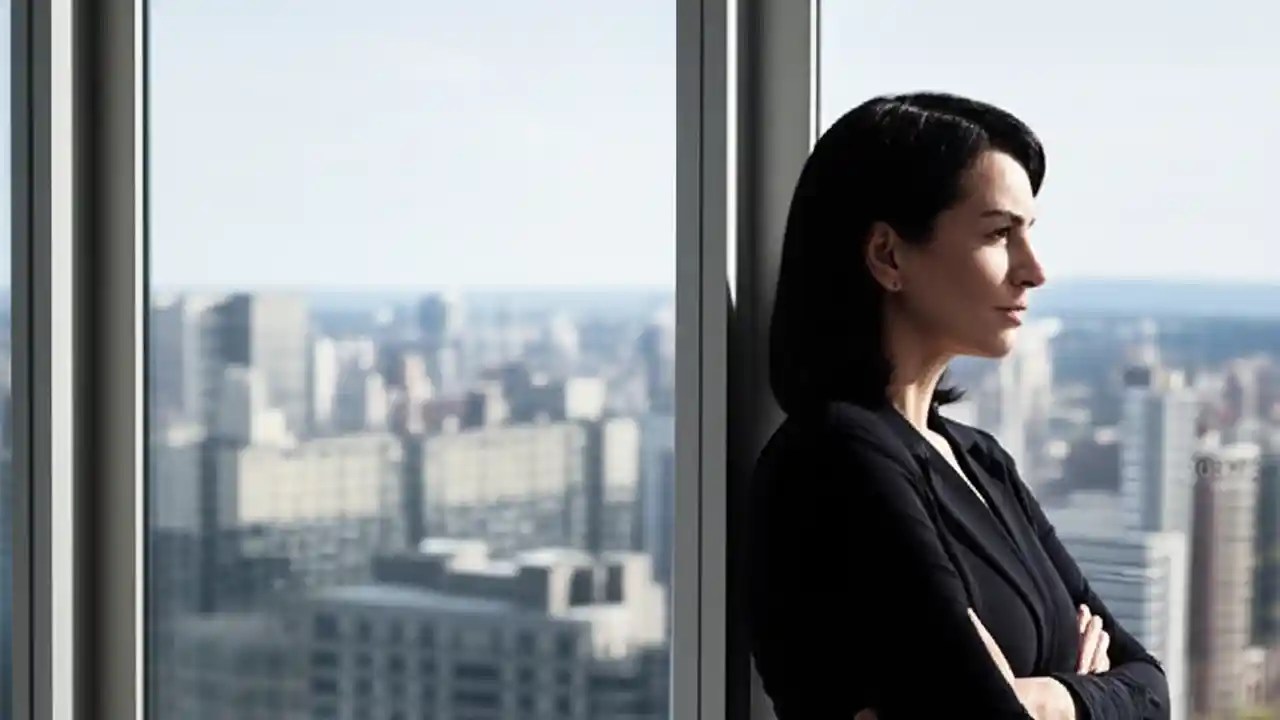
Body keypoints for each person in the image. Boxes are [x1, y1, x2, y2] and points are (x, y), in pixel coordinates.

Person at [747, 92, 1170, 719]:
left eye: (1029, 234)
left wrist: (1051, 700)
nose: (1034, 271)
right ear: (888, 256)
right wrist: (1077, 691)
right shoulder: (836, 458)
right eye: (1000, 234)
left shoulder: (981, 460)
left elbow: (1152, 688)